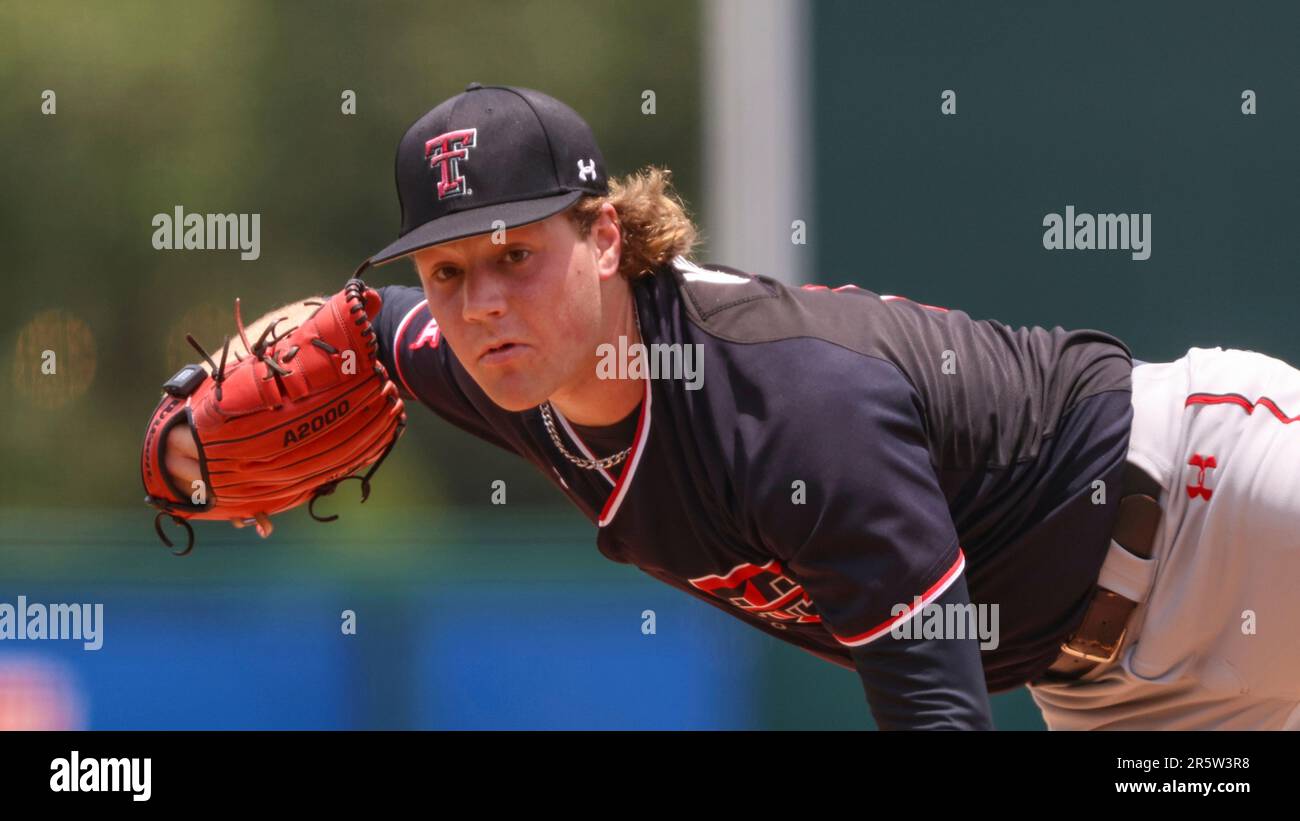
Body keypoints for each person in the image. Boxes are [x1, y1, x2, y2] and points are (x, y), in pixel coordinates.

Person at [159, 84, 1300, 730]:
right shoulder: (490, 354)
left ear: (605, 236)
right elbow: (365, 326)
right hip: (1114, 689)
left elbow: (937, 708)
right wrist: (201, 424)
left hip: (1225, 501)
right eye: (453, 271)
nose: (482, 302)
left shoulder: (782, 408)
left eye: (516, 254)